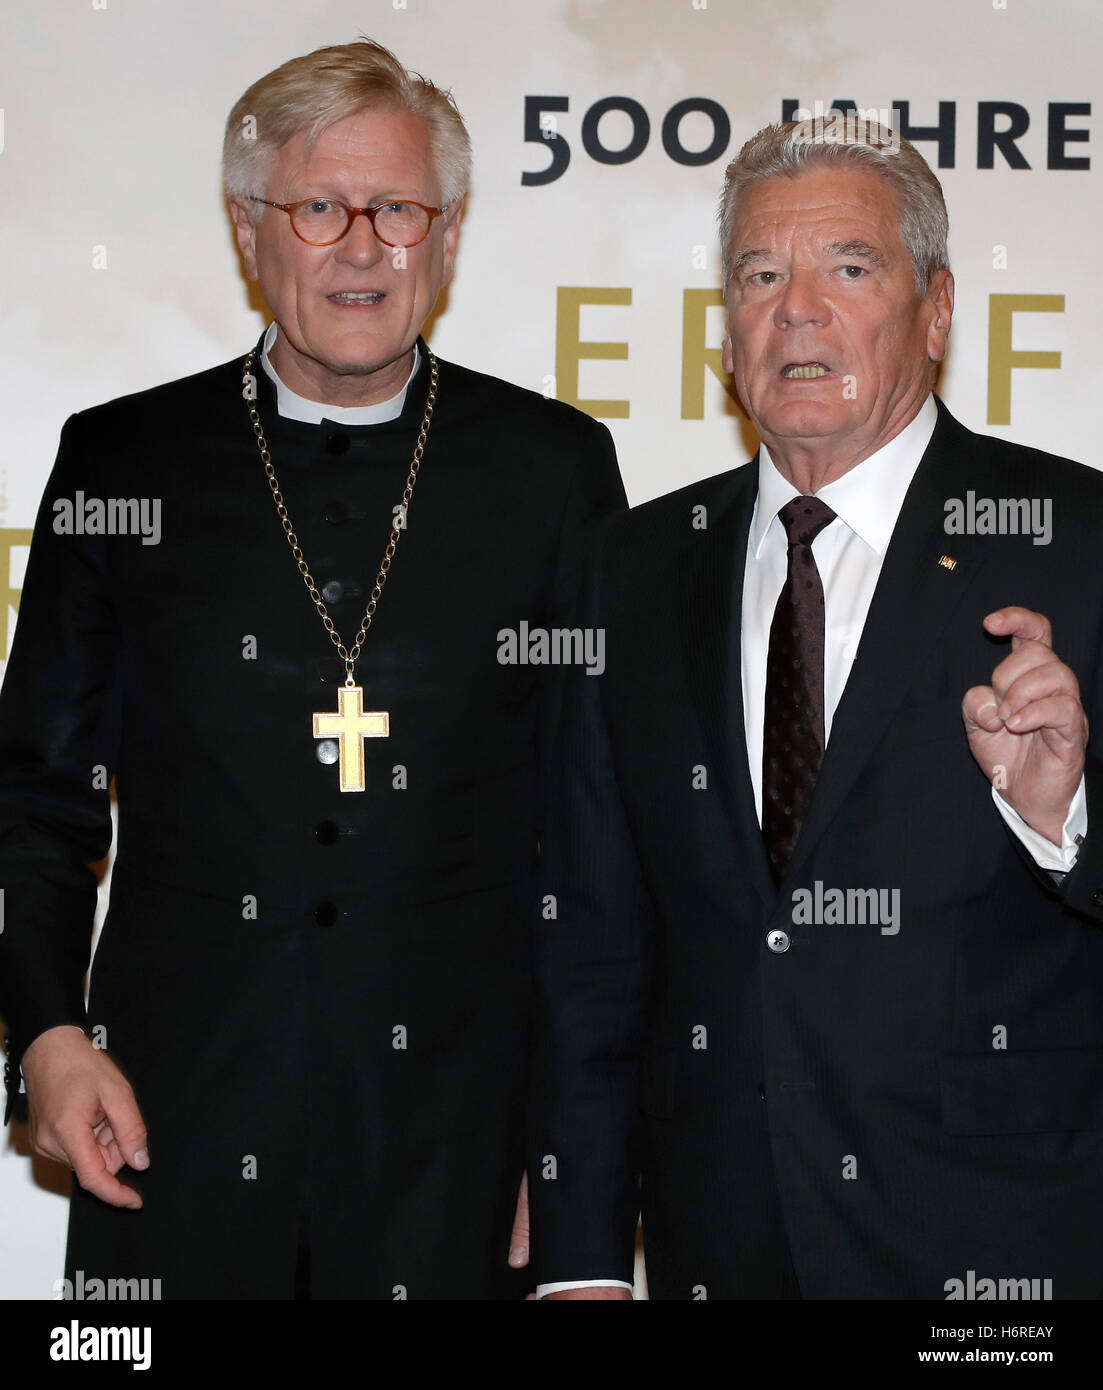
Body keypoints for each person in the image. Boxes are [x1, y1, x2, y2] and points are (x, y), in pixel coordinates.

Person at [0, 38, 625, 1299]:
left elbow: (594, 839)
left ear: (444, 238)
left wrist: (569, 1161)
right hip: (168, 1122)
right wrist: (49, 1036)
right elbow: (38, 796)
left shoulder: (550, 472)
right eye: (318, 207)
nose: (361, 248)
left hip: (457, 1146)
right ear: (247, 229)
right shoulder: (122, 464)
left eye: (398, 209)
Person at [530, 119, 1103, 1300]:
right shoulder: (630, 571)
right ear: (724, 325)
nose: (795, 309)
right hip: (719, 1242)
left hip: (1000, 1248)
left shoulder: (1076, 542)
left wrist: (1065, 814)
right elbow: (589, 940)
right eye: (758, 275)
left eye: (847, 267)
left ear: (934, 311)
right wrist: (580, 1263)